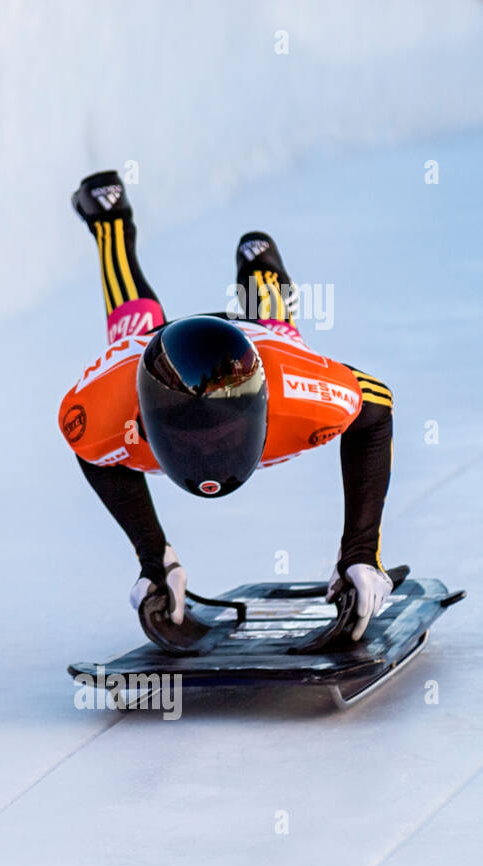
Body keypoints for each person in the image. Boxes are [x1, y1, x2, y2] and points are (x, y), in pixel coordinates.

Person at [59, 171, 395, 641]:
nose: (206, 453)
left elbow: (375, 407)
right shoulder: (109, 409)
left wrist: (361, 549)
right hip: (143, 354)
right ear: (146, 418)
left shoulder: (301, 389)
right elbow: (91, 448)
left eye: (222, 434)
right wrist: (155, 558)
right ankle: (115, 224)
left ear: (262, 407)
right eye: (186, 434)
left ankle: (257, 267)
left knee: (275, 331)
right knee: (135, 331)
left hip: (264, 350)